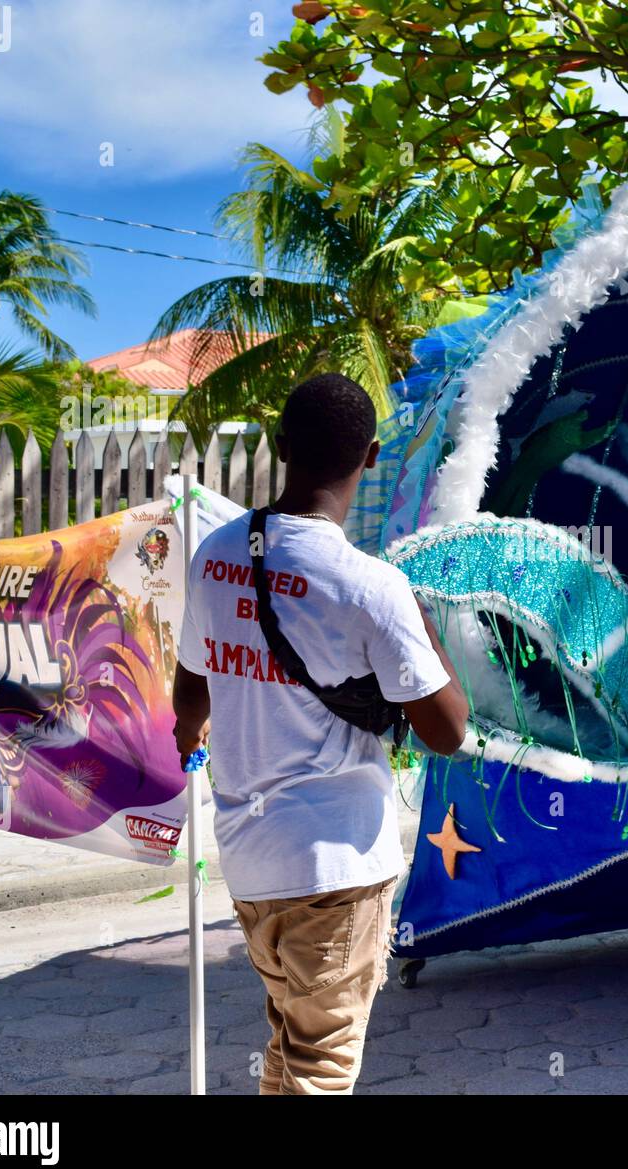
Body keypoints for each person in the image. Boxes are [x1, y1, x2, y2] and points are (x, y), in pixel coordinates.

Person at [172, 373, 468, 1094]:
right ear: (370, 457)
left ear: (280, 446)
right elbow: (448, 730)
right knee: (320, 1070)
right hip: (335, 871)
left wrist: (198, 741)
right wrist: (426, 634)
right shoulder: (371, 585)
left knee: (290, 1049)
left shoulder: (215, 555)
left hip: (251, 862)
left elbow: (188, 699)